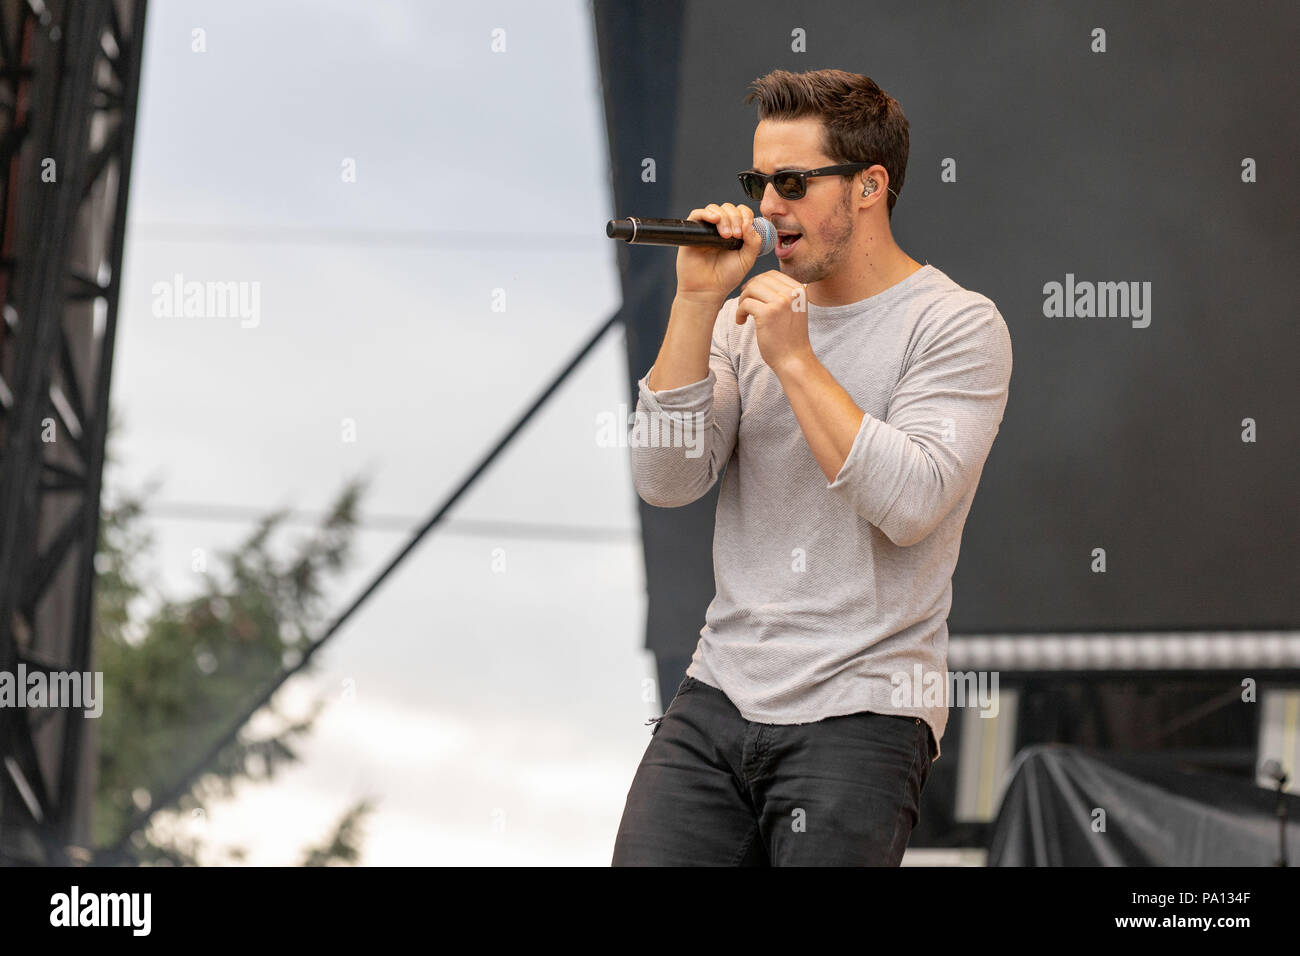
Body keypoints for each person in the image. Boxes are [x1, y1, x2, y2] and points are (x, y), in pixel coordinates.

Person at [611, 68, 1013, 866]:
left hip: (864, 711)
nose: (767, 207)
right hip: (720, 690)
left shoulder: (955, 324)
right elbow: (666, 481)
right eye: (757, 181)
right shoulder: (738, 317)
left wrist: (796, 360)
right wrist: (695, 305)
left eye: (792, 182)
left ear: (869, 187)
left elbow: (911, 501)